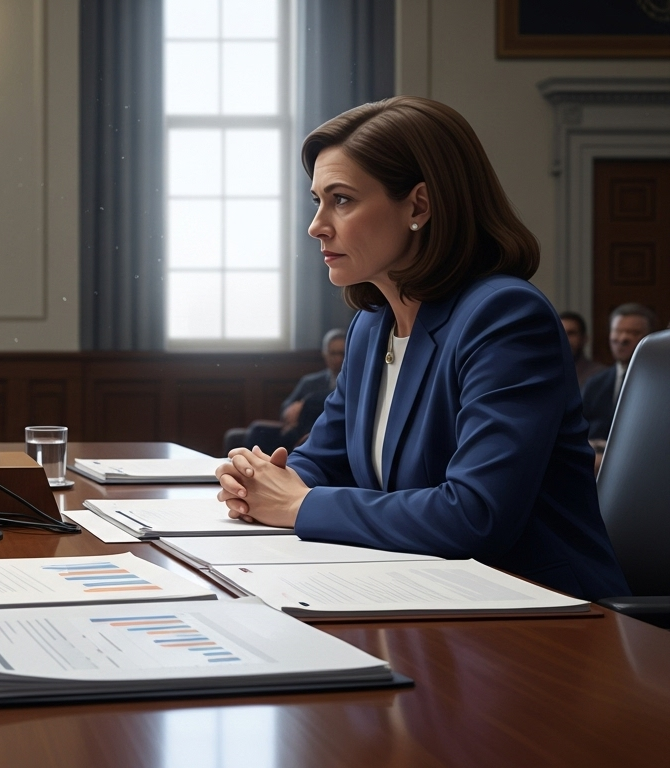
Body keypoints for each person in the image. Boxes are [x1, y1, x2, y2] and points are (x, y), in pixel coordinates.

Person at [215, 96, 627, 601]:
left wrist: (298, 506)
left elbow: (475, 515)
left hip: (538, 613)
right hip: (422, 594)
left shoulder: (505, 316)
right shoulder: (371, 325)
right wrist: (259, 484)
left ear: (418, 206)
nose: (317, 224)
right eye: (317, 200)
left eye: (341, 199)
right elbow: (325, 460)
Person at [581, 303, 658, 442]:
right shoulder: (595, 383)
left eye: (634, 333)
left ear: (650, 337)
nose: (623, 339)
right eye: (617, 331)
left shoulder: (661, 383)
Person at [559, 310, 605, 389]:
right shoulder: (543, 373)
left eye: (571, 333)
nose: (565, 338)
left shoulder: (599, 375)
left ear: (584, 338)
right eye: (560, 333)